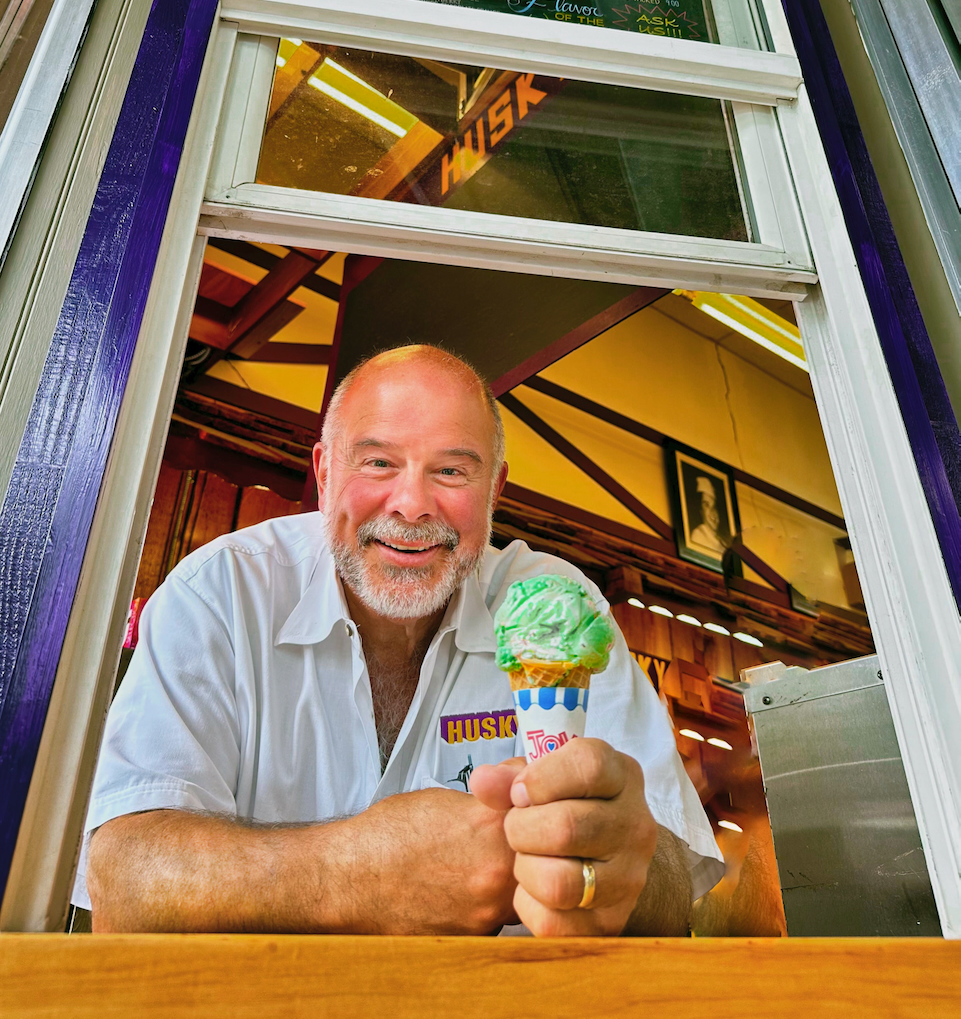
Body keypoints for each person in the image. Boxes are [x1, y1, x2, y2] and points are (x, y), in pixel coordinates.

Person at [78, 345, 722, 934]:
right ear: (325, 473)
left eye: (451, 471)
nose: (411, 504)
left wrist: (613, 865)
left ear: (494, 492)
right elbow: (124, 879)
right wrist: (356, 873)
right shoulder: (220, 594)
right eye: (379, 462)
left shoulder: (553, 607)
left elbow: (672, 896)